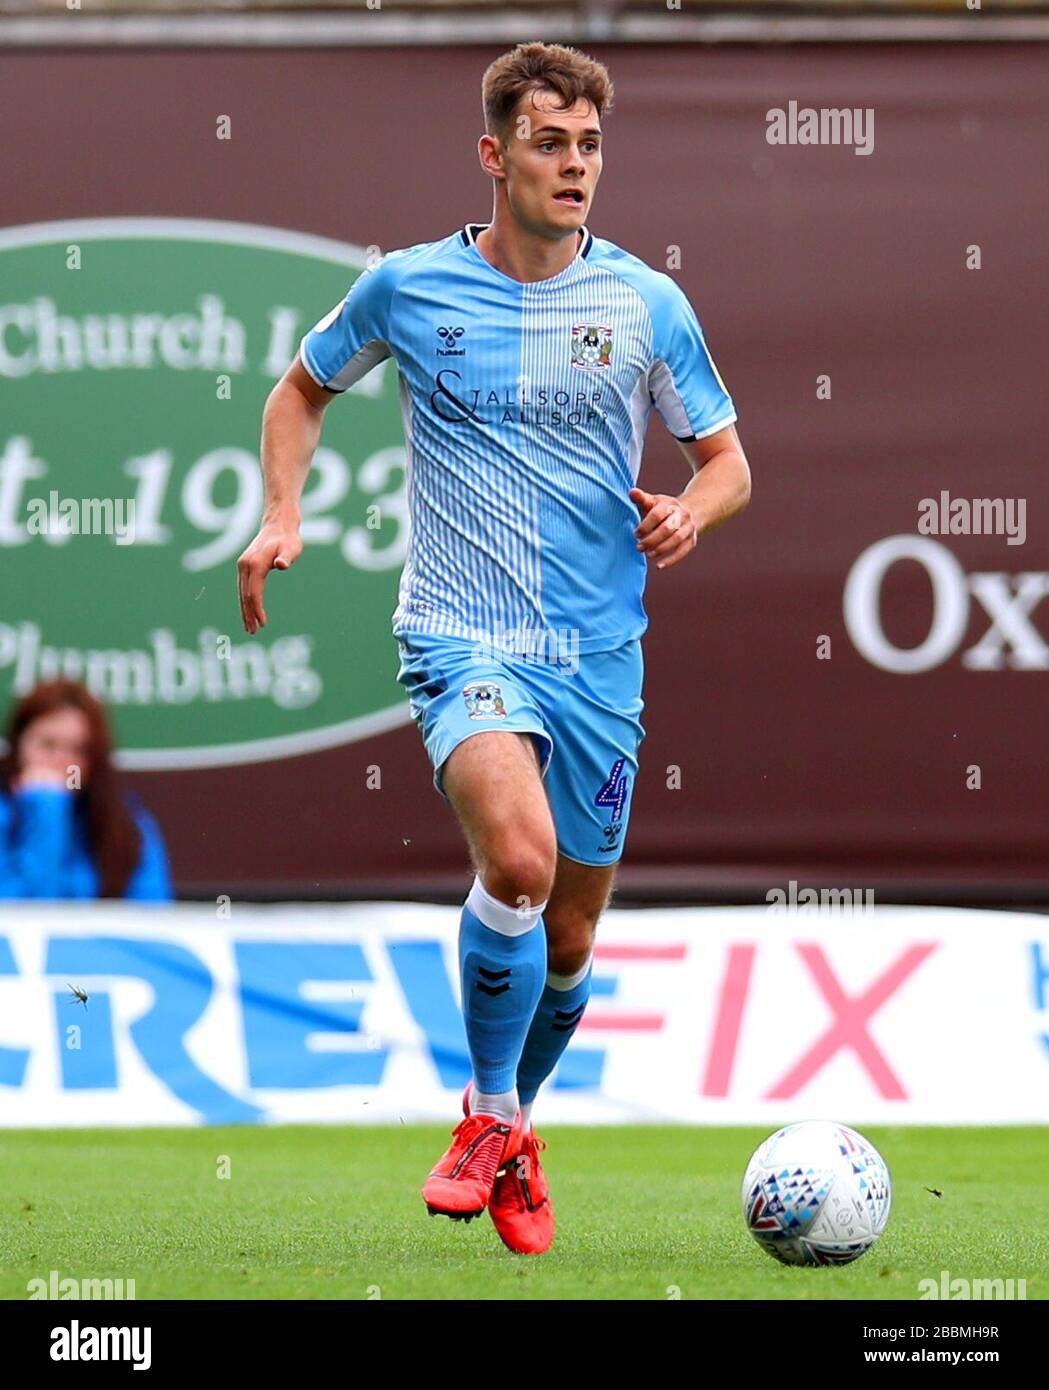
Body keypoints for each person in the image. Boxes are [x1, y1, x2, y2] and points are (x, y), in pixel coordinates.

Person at [237, 41, 750, 1253]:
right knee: (517, 864)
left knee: (568, 939)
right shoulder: (408, 289)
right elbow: (301, 389)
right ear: (493, 155)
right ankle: (492, 1112)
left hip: (597, 655)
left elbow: (726, 460)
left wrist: (690, 507)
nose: (574, 167)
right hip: (459, 633)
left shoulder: (642, 303)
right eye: (548, 143)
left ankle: (509, 1124)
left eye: (589, 146)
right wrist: (279, 510)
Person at [0, 680, 173, 901]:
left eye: (78, 749)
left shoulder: (126, 826)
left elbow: (153, 919)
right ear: (19, 745)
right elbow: (24, 921)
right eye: (47, 744)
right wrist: (46, 805)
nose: (62, 761)